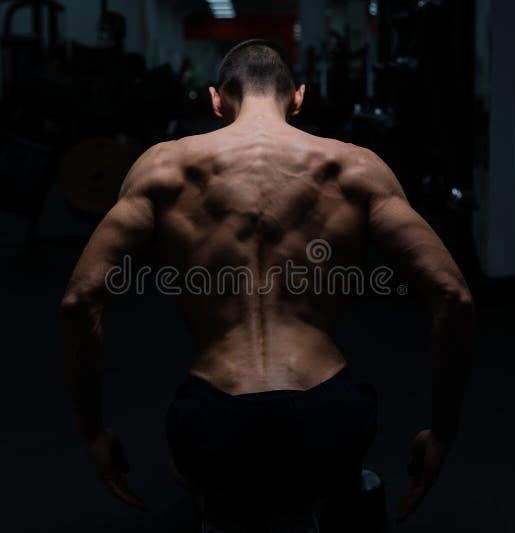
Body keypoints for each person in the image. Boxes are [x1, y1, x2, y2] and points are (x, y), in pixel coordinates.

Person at [61, 39, 474, 528]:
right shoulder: (358, 167)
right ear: (298, 98)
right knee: (311, 488)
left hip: (213, 418)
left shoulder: (161, 167)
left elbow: (80, 298)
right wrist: (442, 433)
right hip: (325, 414)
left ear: (216, 100)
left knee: (201, 478)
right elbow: (453, 295)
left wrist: (92, 432)